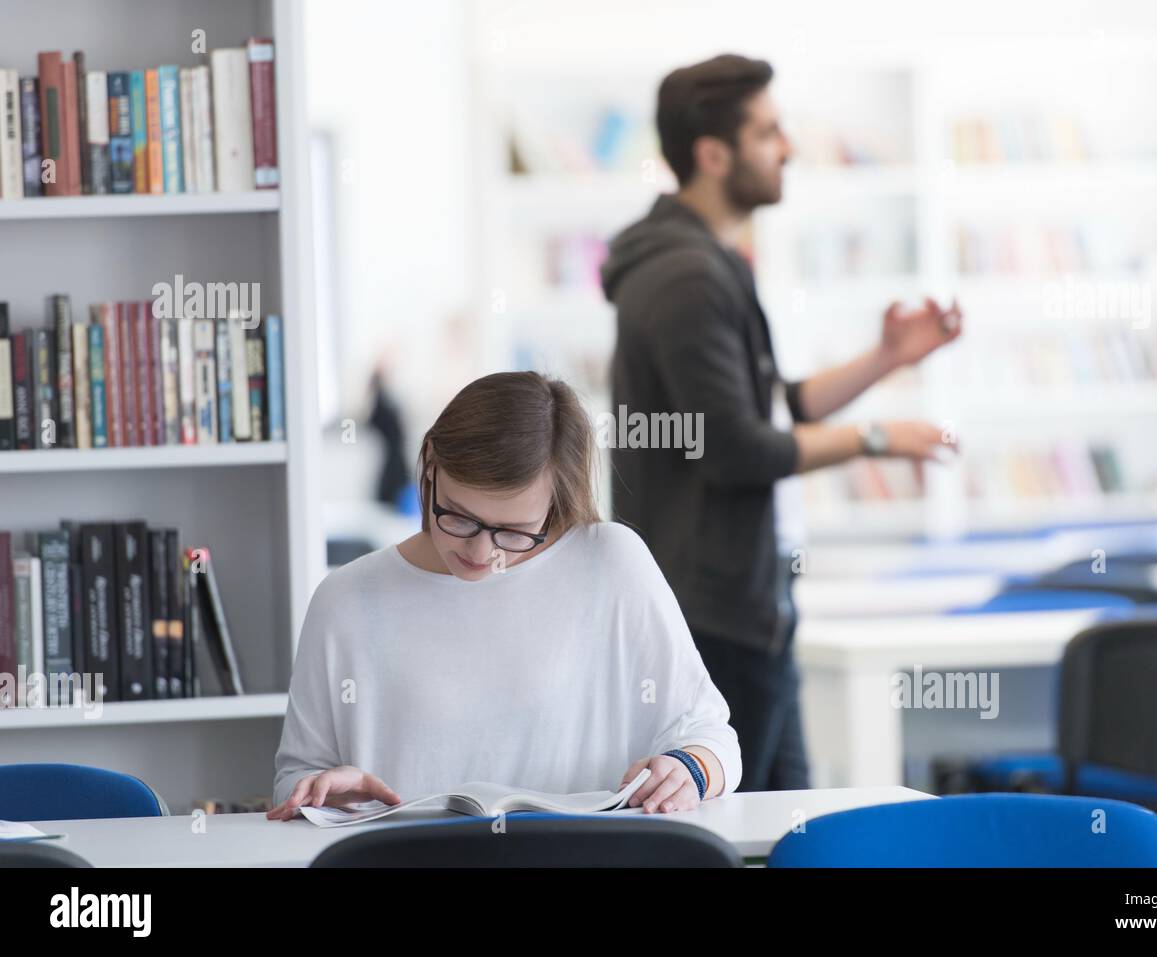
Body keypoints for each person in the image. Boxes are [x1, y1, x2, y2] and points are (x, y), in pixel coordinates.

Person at [601, 53, 961, 792]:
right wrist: (880, 439)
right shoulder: (688, 275)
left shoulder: (704, 262)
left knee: (786, 820)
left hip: (743, 606)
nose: (789, 148)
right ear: (712, 154)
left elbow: (770, 404)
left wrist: (886, 358)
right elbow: (735, 447)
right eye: (769, 132)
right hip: (716, 616)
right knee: (746, 827)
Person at [268, 371, 742, 820]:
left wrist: (691, 771)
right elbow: (293, 780)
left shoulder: (612, 564)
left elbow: (713, 738)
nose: (479, 551)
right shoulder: (345, 599)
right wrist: (322, 792)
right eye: (457, 515)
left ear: (555, 501)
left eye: (513, 531)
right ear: (430, 463)